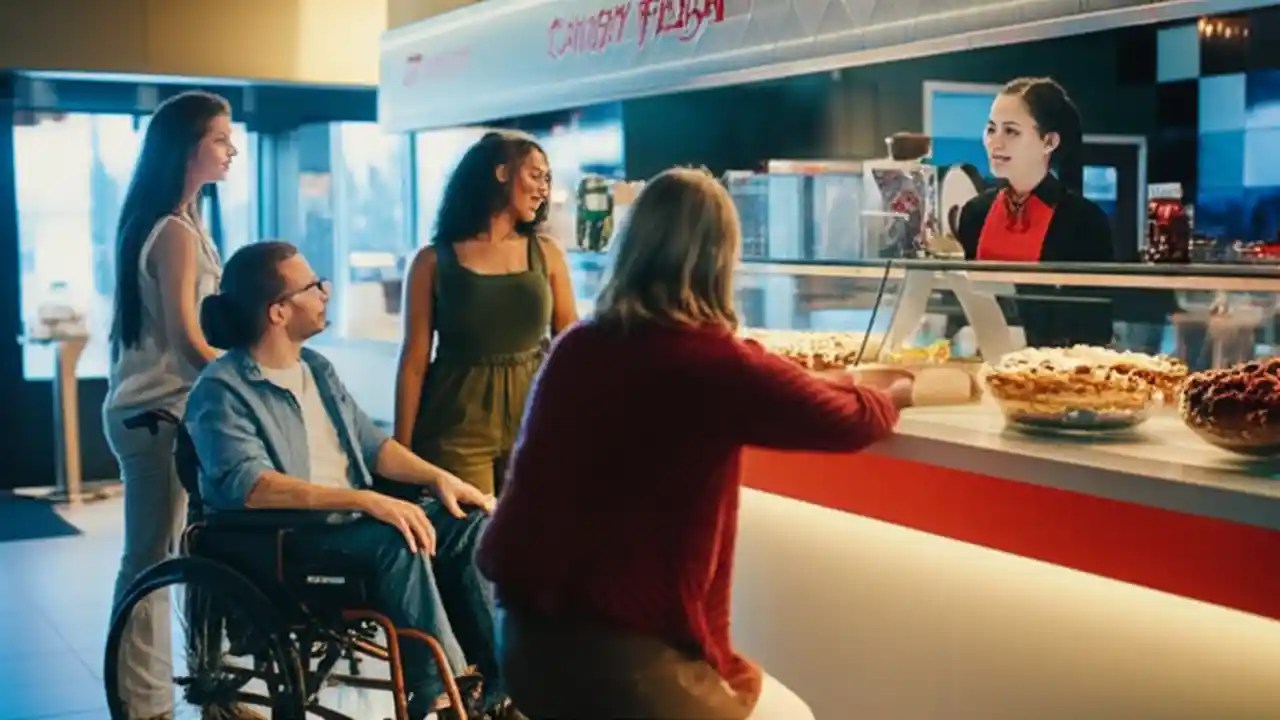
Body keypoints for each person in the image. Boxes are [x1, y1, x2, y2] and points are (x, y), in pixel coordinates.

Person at [476, 168, 910, 719]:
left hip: (523, 646)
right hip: (618, 660)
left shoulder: (579, 345)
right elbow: (847, 422)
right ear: (720, 259)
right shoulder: (709, 362)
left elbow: (766, 380)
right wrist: (893, 394)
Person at [184, 241, 516, 719]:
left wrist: (441, 479)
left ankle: (499, 679)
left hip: (352, 523)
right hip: (291, 537)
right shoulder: (221, 389)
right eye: (313, 286)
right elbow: (251, 486)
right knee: (397, 538)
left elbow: (374, 446)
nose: (326, 292)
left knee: (466, 523)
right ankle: (438, 690)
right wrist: (365, 500)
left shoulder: (317, 370)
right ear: (278, 311)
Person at [103, 90, 235, 719]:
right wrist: (244, 378)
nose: (231, 150)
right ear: (188, 147)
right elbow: (186, 339)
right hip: (156, 413)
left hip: (158, 411)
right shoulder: (175, 232)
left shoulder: (177, 221)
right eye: (220, 139)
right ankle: (142, 702)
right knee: (150, 562)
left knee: (173, 556)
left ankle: (193, 693)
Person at [395, 130, 578, 497]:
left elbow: (571, 345)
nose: (544, 189)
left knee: (531, 526)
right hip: (457, 422)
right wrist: (400, 452)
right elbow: (414, 360)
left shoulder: (547, 253)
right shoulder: (432, 261)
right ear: (501, 172)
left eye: (547, 179)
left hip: (535, 416)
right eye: (536, 175)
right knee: (468, 528)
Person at [956, 76, 1115, 347]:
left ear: (1048, 141)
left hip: (1054, 366)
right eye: (991, 129)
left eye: (1011, 131)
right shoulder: (975, 213)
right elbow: (961, 308)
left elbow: (1095, 327)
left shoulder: (1085, 220)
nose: (995, 142)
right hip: (982, 359)